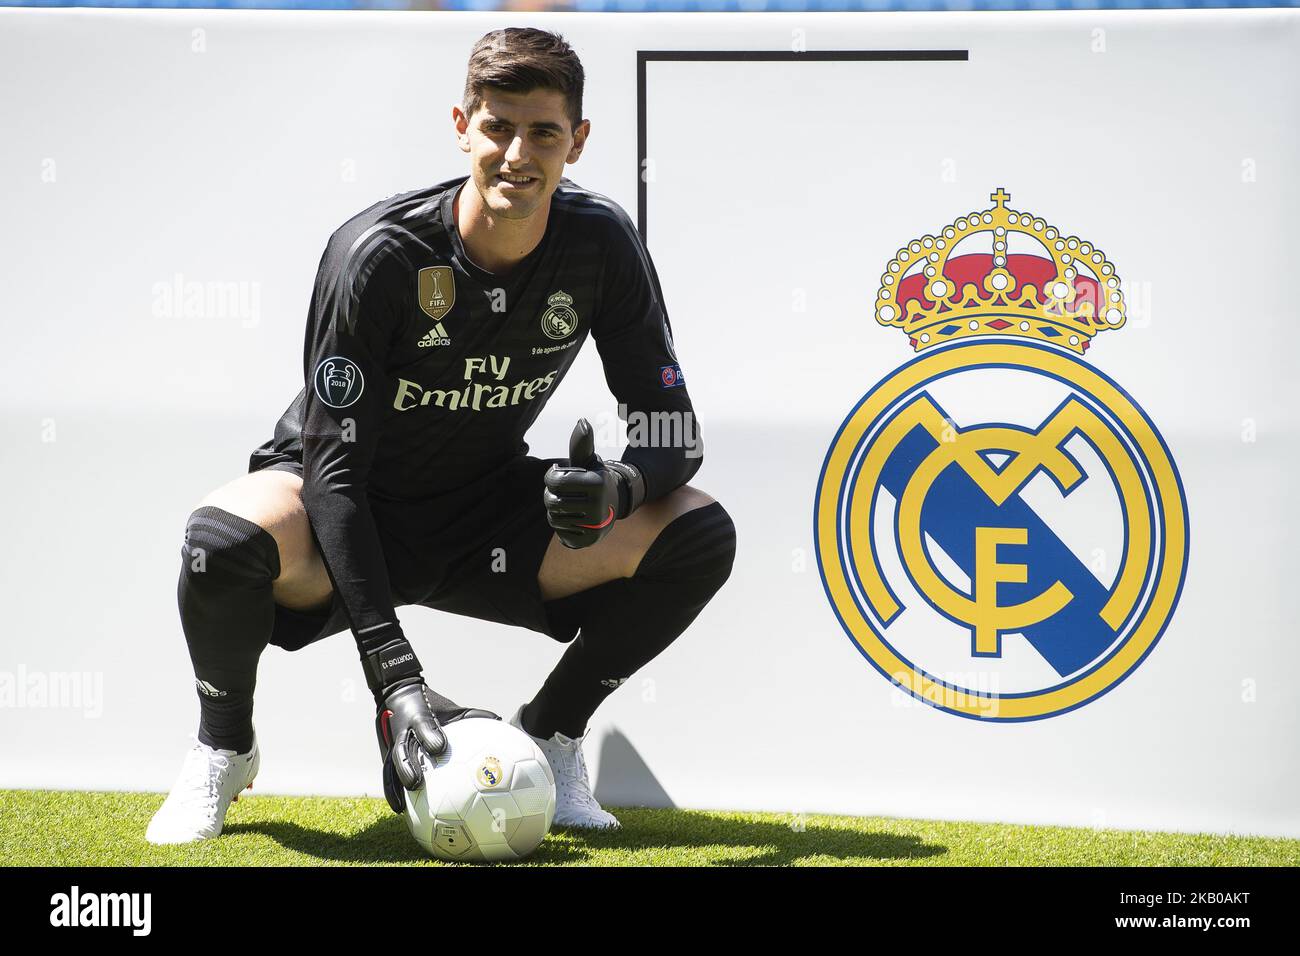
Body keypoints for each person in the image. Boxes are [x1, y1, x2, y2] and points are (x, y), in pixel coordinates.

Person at [147, 27, 736, 844]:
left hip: (486, 509)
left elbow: (673, 431)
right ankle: (223, 747)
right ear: (463, 124)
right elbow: (333, 474)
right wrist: (394, 678)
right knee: (219, 539)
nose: (517, 154)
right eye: (498, 127)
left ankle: (554, 733)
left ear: (579, 141)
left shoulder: (600, 241)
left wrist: (619, 488)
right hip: (341, 505)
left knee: (700, 533)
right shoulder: (379, 255)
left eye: (544, 132)